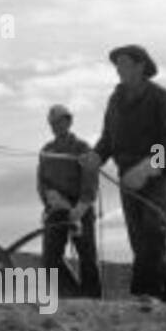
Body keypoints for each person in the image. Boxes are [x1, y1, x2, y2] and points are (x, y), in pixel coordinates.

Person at [81, 45, 166, 307]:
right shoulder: (115, 100)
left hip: (157, 177)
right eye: (117, 64)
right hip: (126, 177)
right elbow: (107, 139)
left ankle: (145, 294)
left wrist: (149, 167)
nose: (118, 69)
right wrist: (95, 157)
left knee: (153, 230)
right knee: (141, 238)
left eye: (124, 63)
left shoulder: (162, 97)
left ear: (141, 66)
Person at [37, 104, 102, 298]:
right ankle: (72, 295)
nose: (56, 126)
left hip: (80, 207)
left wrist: (80, 207)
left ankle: (93, 299)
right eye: (53, 123)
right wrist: (50, 197)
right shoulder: (46, 151)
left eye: (60, 121)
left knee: (87, 256)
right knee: (50, 258)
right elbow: (41, 182)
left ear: (69, 121)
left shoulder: (82, 148)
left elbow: (91, 179)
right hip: (56, 208)